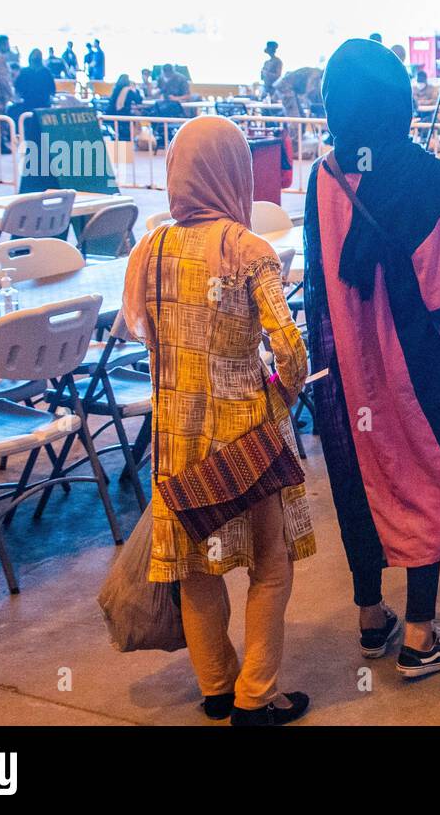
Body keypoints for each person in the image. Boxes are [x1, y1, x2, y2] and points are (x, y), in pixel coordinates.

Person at [121, 115, 314, 726]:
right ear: (236, 172)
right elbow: (291, 351)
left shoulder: (148, 251)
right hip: (245, 439)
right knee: (270, 565)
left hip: (175, 441)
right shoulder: (249, 251)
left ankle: (216, 687)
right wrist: (281, 394)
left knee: (196, 570)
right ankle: (256, 697)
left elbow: (141, 332)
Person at [302, 38, 440, 677]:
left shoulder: (322, 176)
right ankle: (421, 637)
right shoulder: (423, 174)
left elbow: (318, 279)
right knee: (429, 478)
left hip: (343, 369)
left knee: (361, 484)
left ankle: (371, 617)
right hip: (413, 365)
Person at [106, 73, 142, 139]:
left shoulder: (115, 90)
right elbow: (138, 101)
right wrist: (135, 90)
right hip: (123, 118)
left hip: (111, 117)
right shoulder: (128, 90)